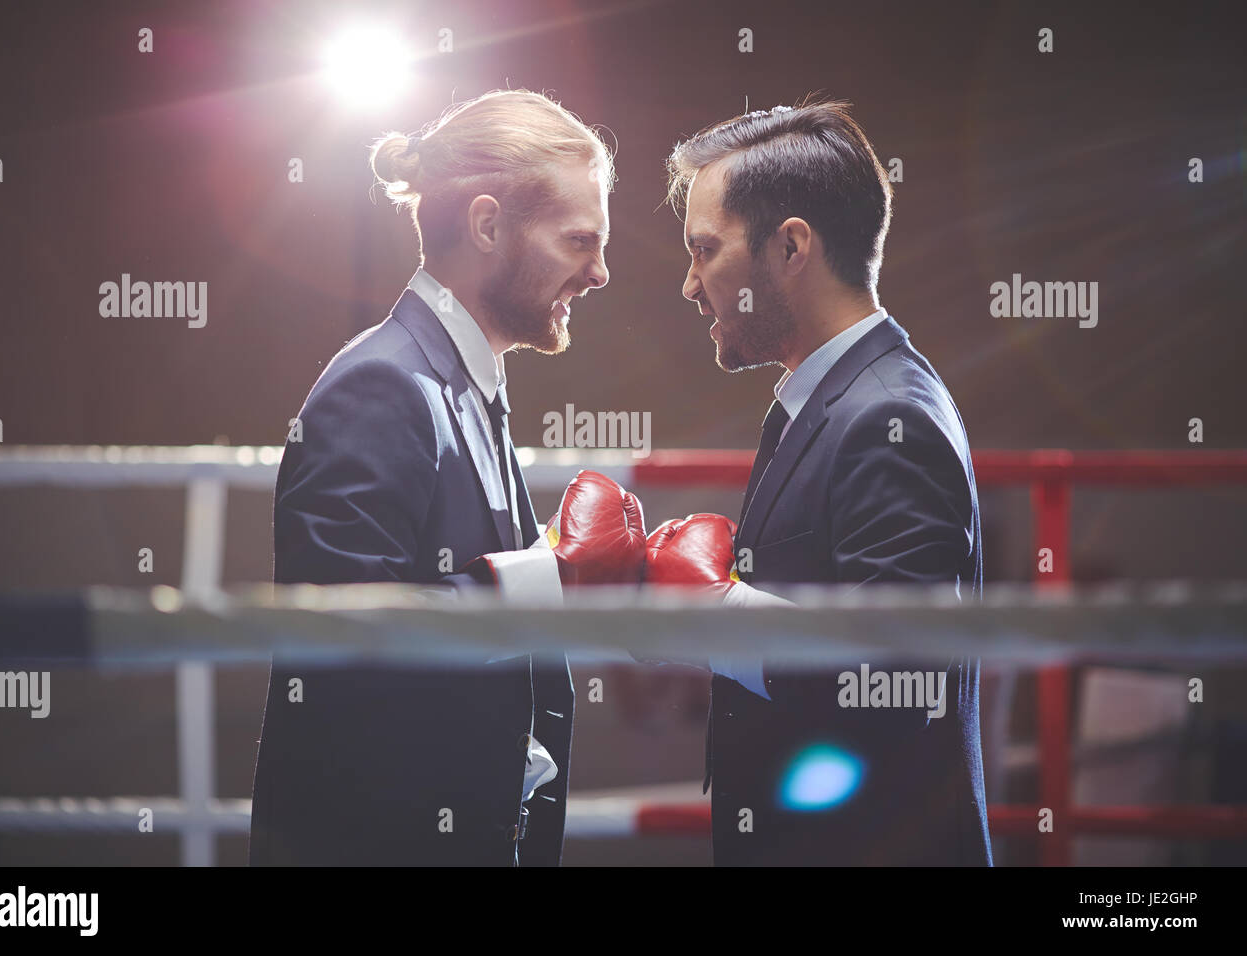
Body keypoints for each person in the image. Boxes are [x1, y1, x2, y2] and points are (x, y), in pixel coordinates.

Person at [249, 90, 645, 866]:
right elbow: (337, 632)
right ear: (489, 225)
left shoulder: (464, 382)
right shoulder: (386, 384)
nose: (600, 272)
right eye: (578, 241)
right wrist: (552, 579)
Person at [646, 97, 993, 865]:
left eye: (705, 250)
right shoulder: (834, 401)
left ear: (791, 248)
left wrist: (714, 615)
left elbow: (899, 682)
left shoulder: (886, 417)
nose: (690, 284)